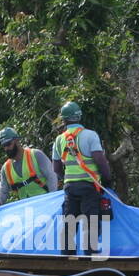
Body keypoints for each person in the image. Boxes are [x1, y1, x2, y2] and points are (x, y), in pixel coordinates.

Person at [50, 102, 113, 255]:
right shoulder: (90, 135)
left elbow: (56, 169)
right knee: (90, 221)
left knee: (69, 223)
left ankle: (66, 258)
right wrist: (107, 180)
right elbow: (100, 160)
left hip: (70, 188)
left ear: (63, 120)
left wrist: (67, 179)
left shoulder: (59, 140)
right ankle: (90, 257)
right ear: (79, 116)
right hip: (89, 187)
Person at [0, 127, 57, 214]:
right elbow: (3, 189)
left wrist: (52, 200)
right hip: (27, 212)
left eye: (8, 144)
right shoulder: (6, 168)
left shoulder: (35, 155)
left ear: (17, 141)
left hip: (46, 206)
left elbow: (52, 176)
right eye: (4, 146)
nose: (6, 148)